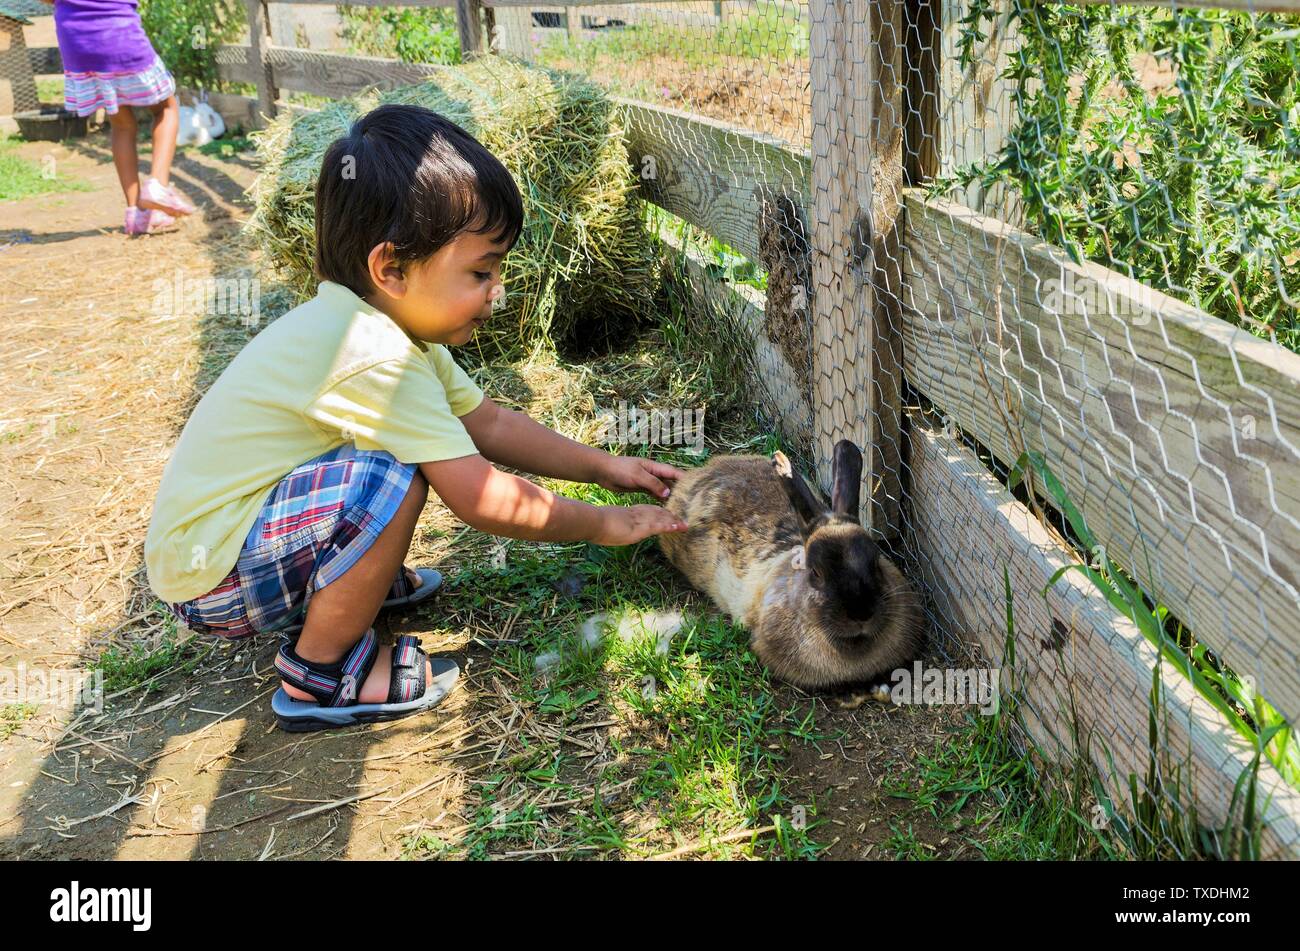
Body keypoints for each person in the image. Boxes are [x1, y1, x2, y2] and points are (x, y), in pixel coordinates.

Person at [145, 104, 688, 731]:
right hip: (213, 581)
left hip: (225, 551)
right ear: (392, 270)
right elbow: (482, 499)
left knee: (400, 462)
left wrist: (604, 467)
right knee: (391, 475)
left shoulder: (385, 331)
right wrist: (601, 526)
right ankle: (319, 670)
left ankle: (345, 587)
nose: (497, 290)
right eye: (481, 272)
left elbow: (490, 425)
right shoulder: (372, 354)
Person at [44, 0, 196, 234]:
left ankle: (136, 213)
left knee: (121, 125)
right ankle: (157, 185)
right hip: (118, 33)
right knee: (166, 108)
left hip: (76, 40)